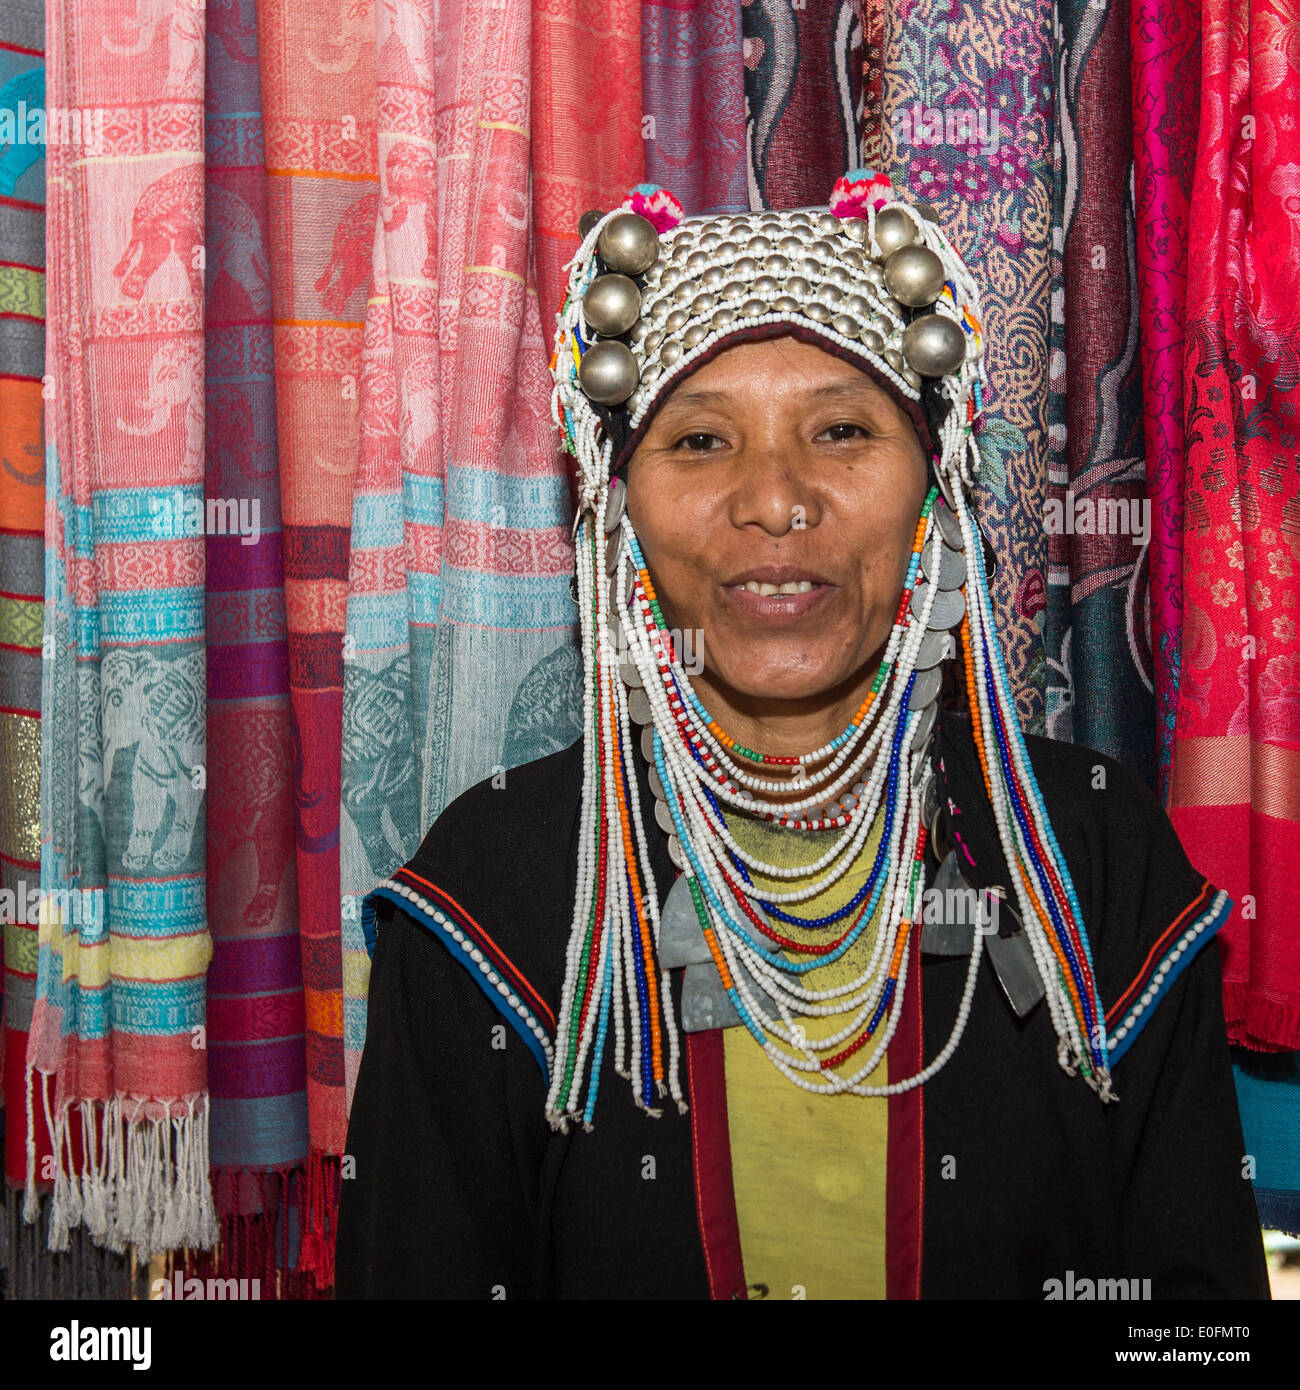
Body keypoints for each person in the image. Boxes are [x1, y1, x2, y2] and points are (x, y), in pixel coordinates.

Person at [335, 171, 1270, 1300]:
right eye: (698, 442)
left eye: (839, 429)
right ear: (617, 509)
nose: (775, 499)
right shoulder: (496, 892)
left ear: (933, 489)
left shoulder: (1092, 859)